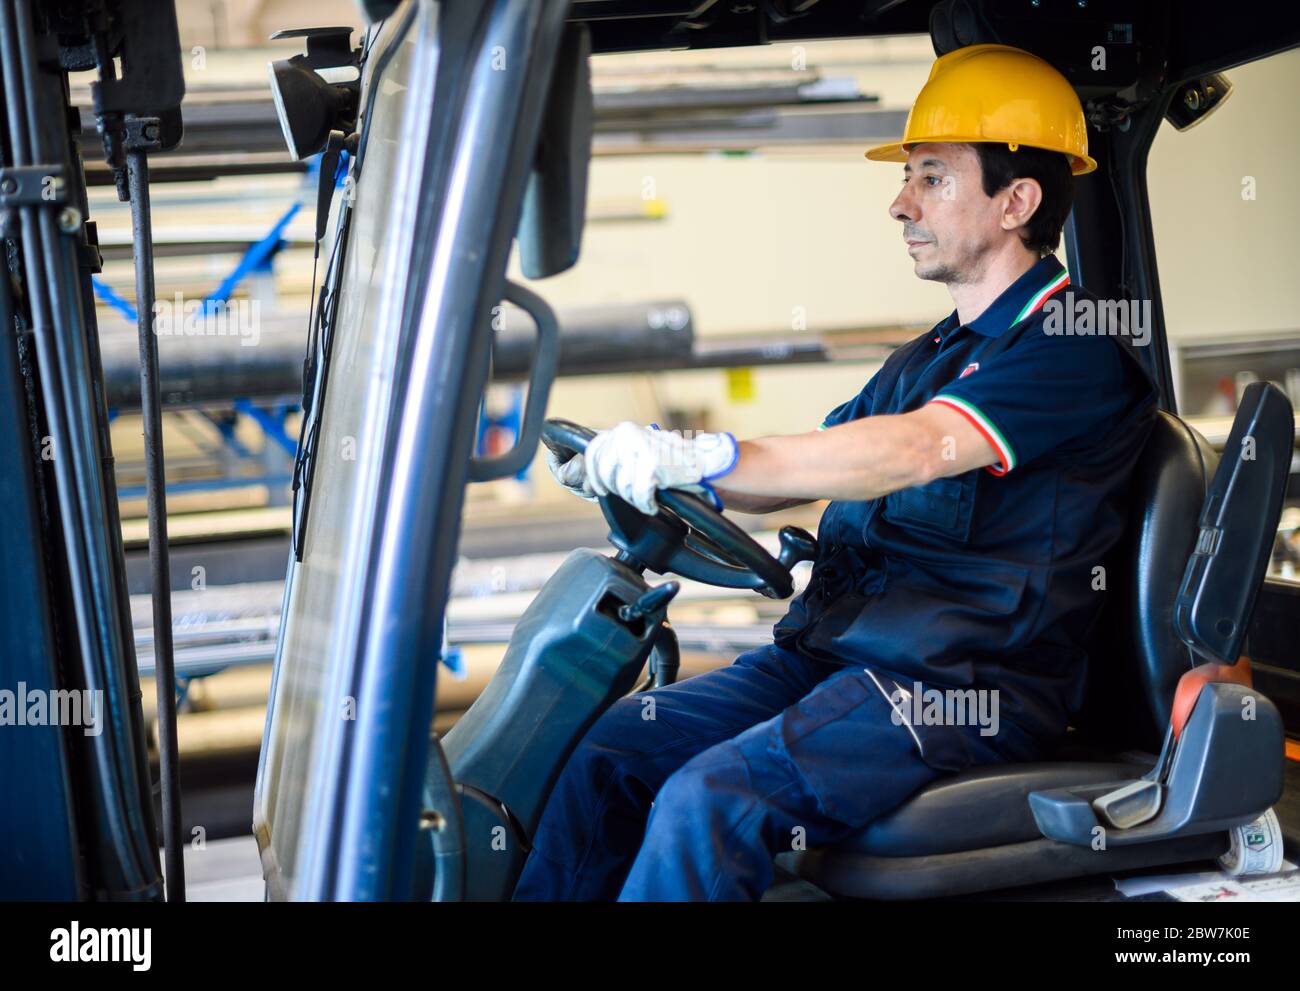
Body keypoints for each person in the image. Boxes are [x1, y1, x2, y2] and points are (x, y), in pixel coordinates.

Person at [513, 43, 1156, 902]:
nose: (900, 203)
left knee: (712, 802)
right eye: (909, 178)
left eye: (932, 177)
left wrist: (707, 453)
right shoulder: (927, 356)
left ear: (1018, 200)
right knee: (610, 753)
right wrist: (651, 471)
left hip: (953, 689)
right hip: (840, 655)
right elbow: (798, 469)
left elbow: (920, 449)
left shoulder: (1070, 349)